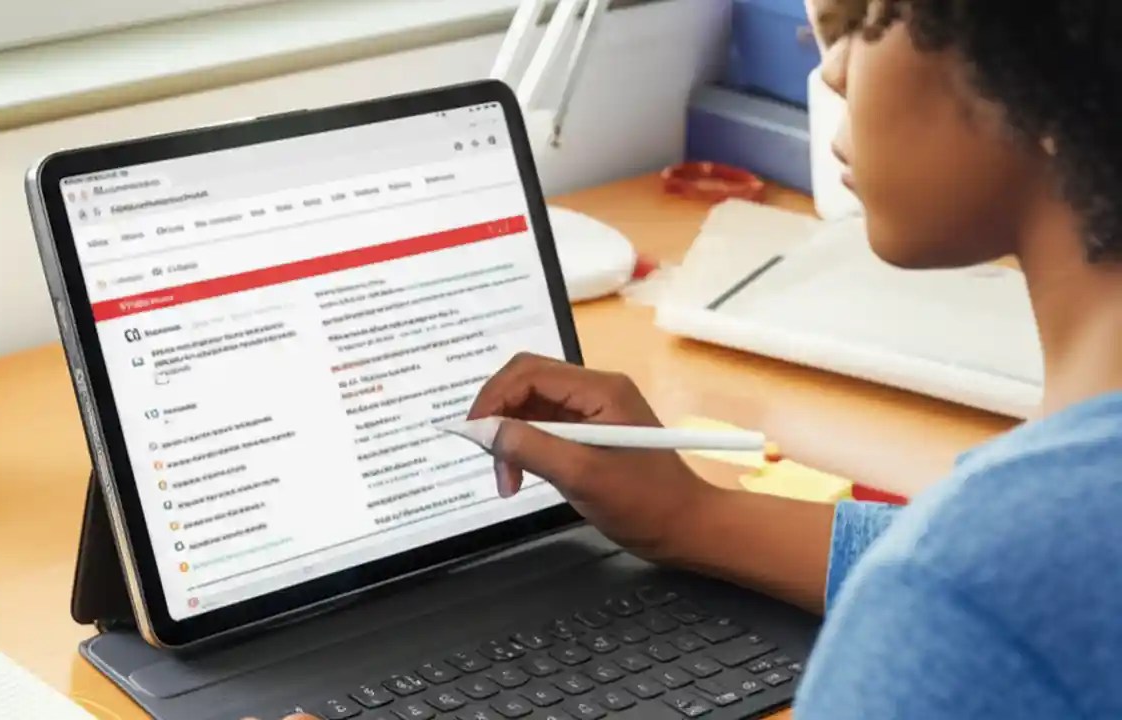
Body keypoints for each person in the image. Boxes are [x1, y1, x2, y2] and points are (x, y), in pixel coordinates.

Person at [288, 0, 1122, 717]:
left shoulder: (963, 598)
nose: (829, 77)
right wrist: (695, 516)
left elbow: (985, 592)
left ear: (1049, 61)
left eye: (856, 27)